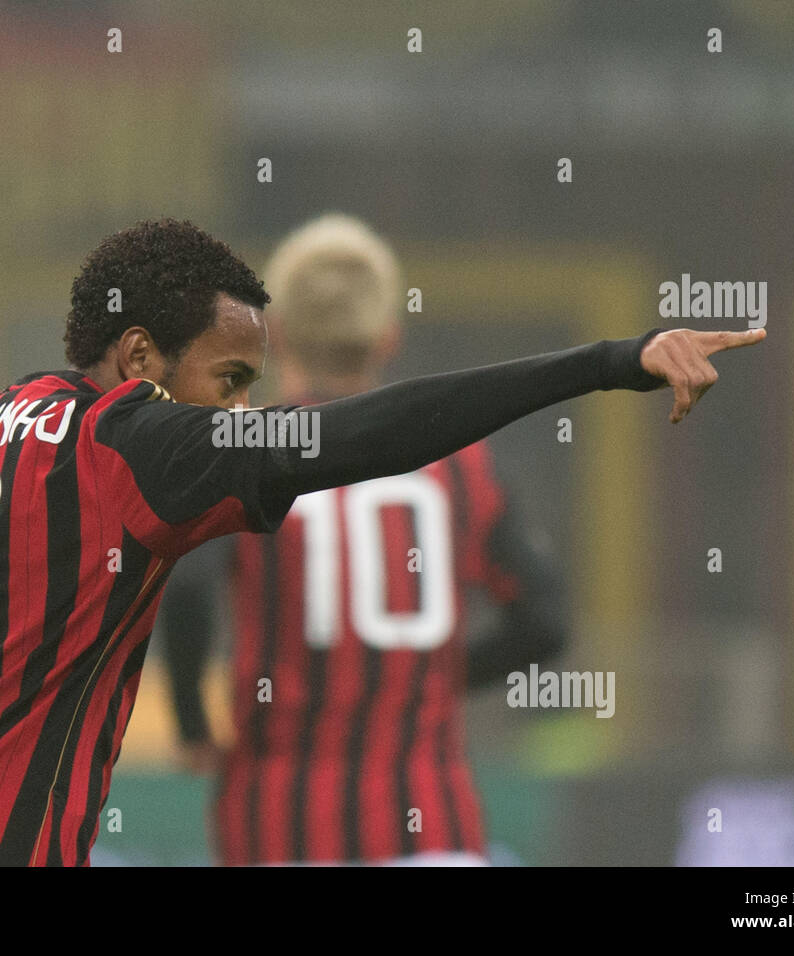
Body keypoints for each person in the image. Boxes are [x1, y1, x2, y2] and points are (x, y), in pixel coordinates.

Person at [0, 217, 765, 865]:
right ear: (143, 355)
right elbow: (363, 433)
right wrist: (601, 363)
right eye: (230, 379)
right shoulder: (132, 441)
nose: (241, 407)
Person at [160, 214, 569, 864]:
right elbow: (546, 624)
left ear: (280, 335)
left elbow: (186, 589)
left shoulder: (244, 452)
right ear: (388, 336)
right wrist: (426, 682)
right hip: (431, 827)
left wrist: (190, 724)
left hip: (279, 828)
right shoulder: (463, 466)